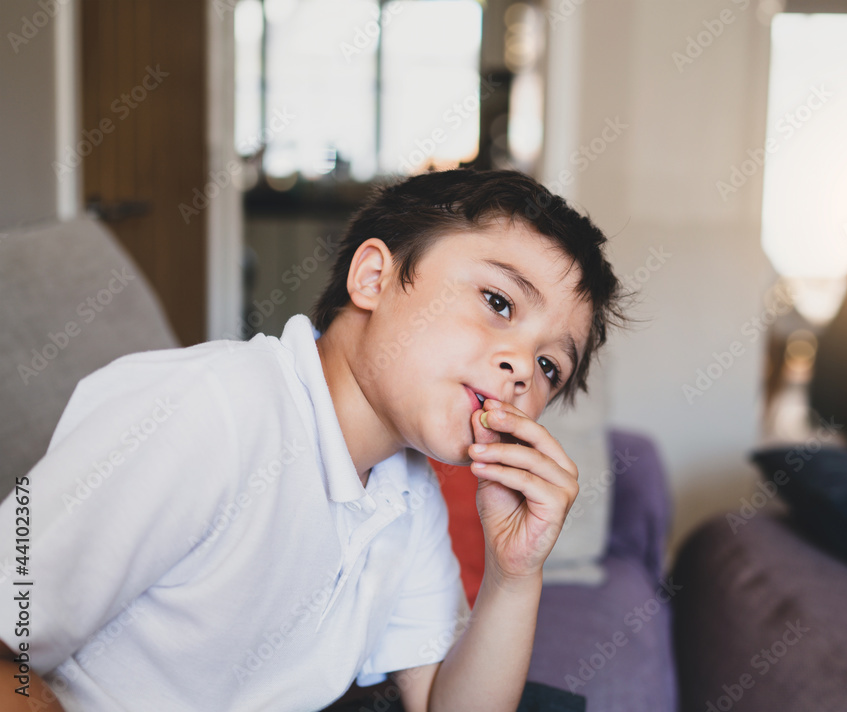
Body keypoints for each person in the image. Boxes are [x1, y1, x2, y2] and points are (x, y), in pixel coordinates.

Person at [0, 169, 627, 711]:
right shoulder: (211, 409)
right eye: (497, 300)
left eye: (550, 367)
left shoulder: (407, 497)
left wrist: (515, 575)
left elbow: (441, 703)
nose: (522, 366)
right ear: (374, 278)